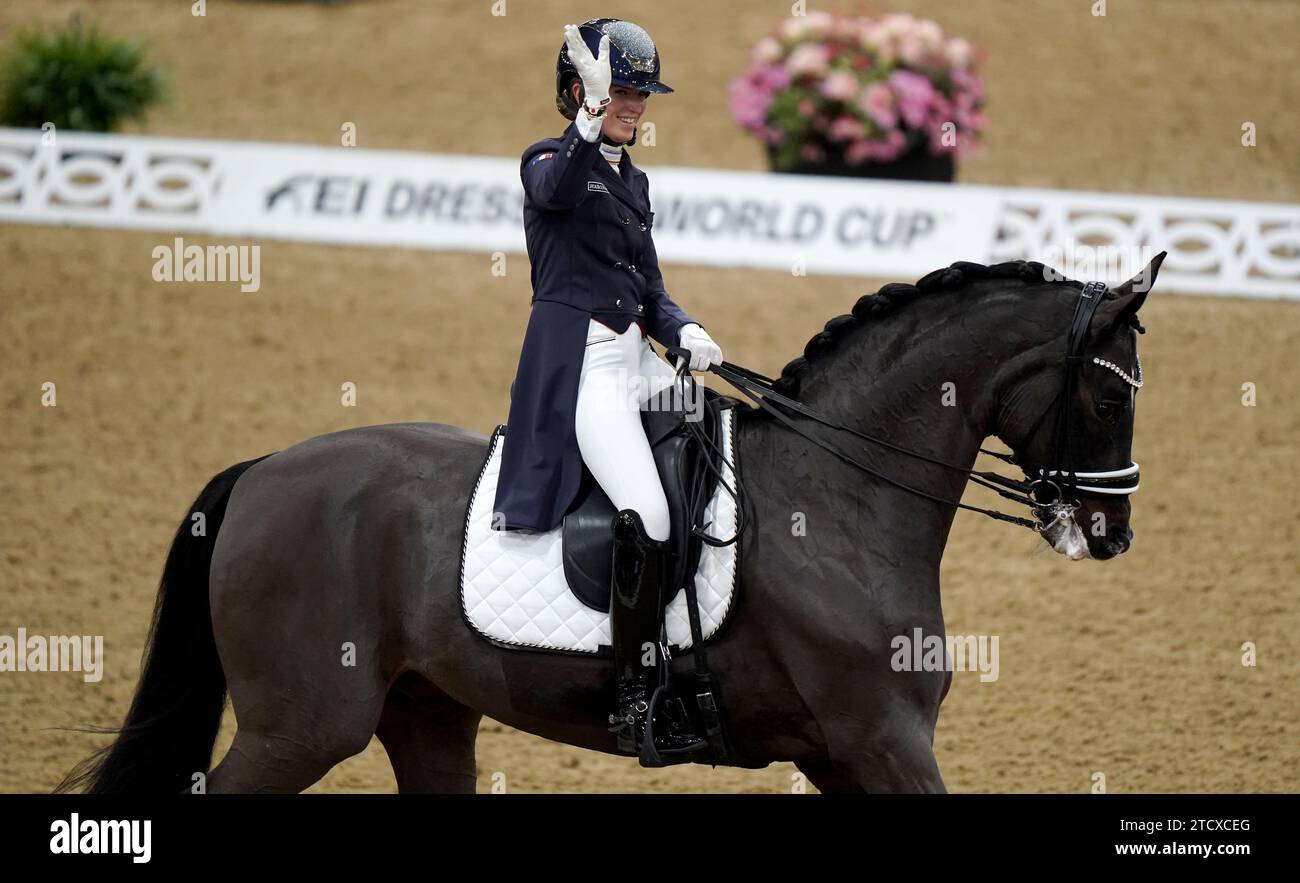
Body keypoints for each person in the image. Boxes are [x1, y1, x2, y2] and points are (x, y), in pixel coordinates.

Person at [492, 19, 723, 756]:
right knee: (648, 512)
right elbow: (557, 188)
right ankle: (634, 689)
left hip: (636, 359)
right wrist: (589, 118)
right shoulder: (545, 162)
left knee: (719, 447)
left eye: (639, 93)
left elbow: (648, 285)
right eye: (622, 90)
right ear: (579, 91)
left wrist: (683, 327)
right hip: (584, 367)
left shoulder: (635, 179)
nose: (635, 104)